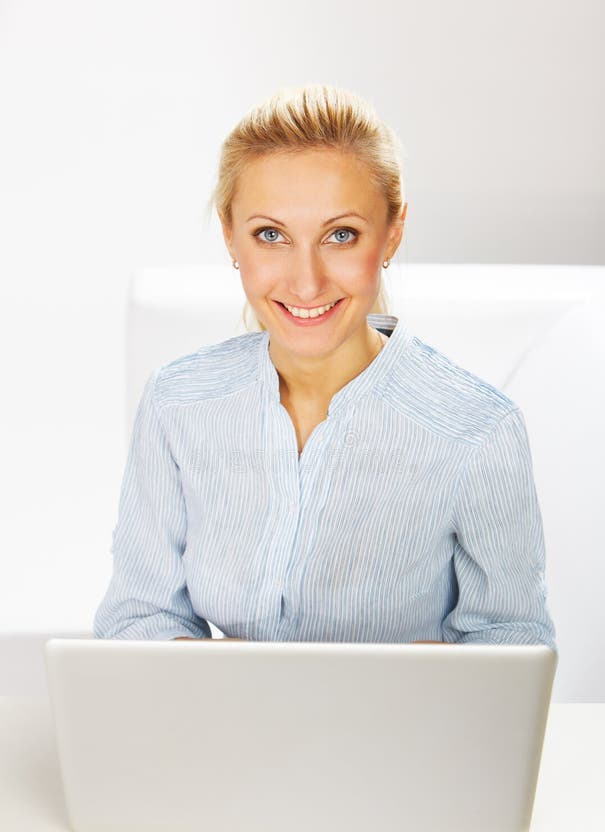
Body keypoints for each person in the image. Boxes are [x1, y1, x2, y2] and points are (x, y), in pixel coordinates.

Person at [93, 84, 557, 651]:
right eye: (271, 235)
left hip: (399, 716)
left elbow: (514, 646)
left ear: (393, 233)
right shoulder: (177, 403)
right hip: (221, 712)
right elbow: (138, 618)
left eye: (341, 235)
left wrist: (424, 679)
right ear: (230, 236)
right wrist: (223, 675)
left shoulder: (478, 430)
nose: (307, 282)